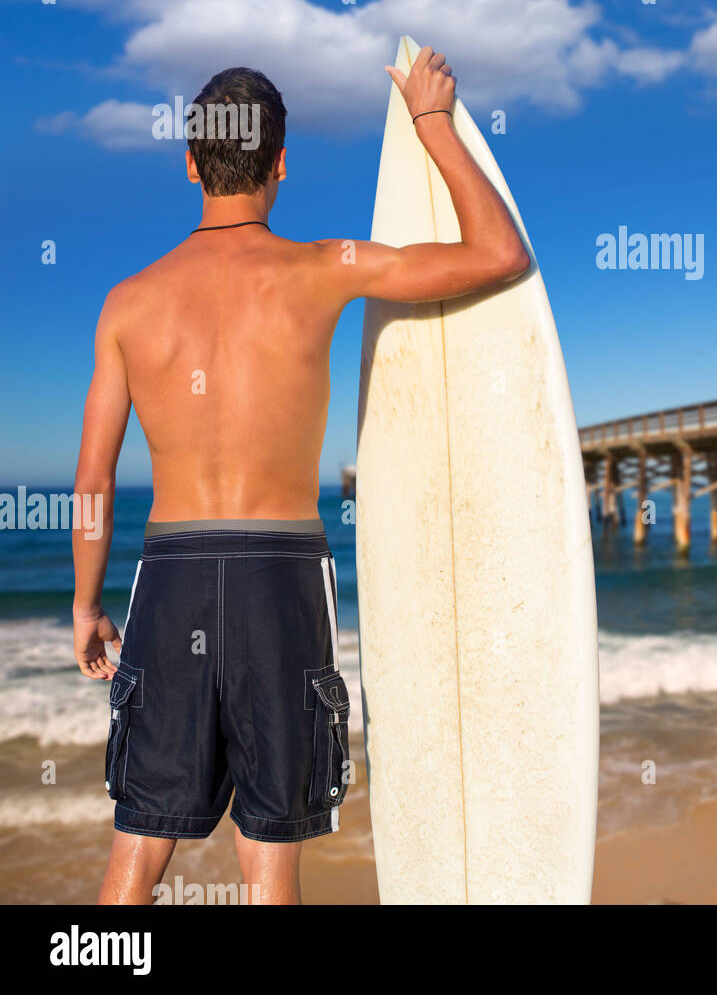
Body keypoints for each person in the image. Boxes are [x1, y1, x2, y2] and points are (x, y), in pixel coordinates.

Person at [71, 47, 529, 904]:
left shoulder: (128, 302)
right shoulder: (327, 269)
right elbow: (499, 252)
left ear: (188, 162)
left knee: (140, 839)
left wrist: (87, 604)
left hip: (168, 574)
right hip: (279, 577)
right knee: (269, 855)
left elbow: (94, 479)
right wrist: (433, 122)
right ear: (280, 162)